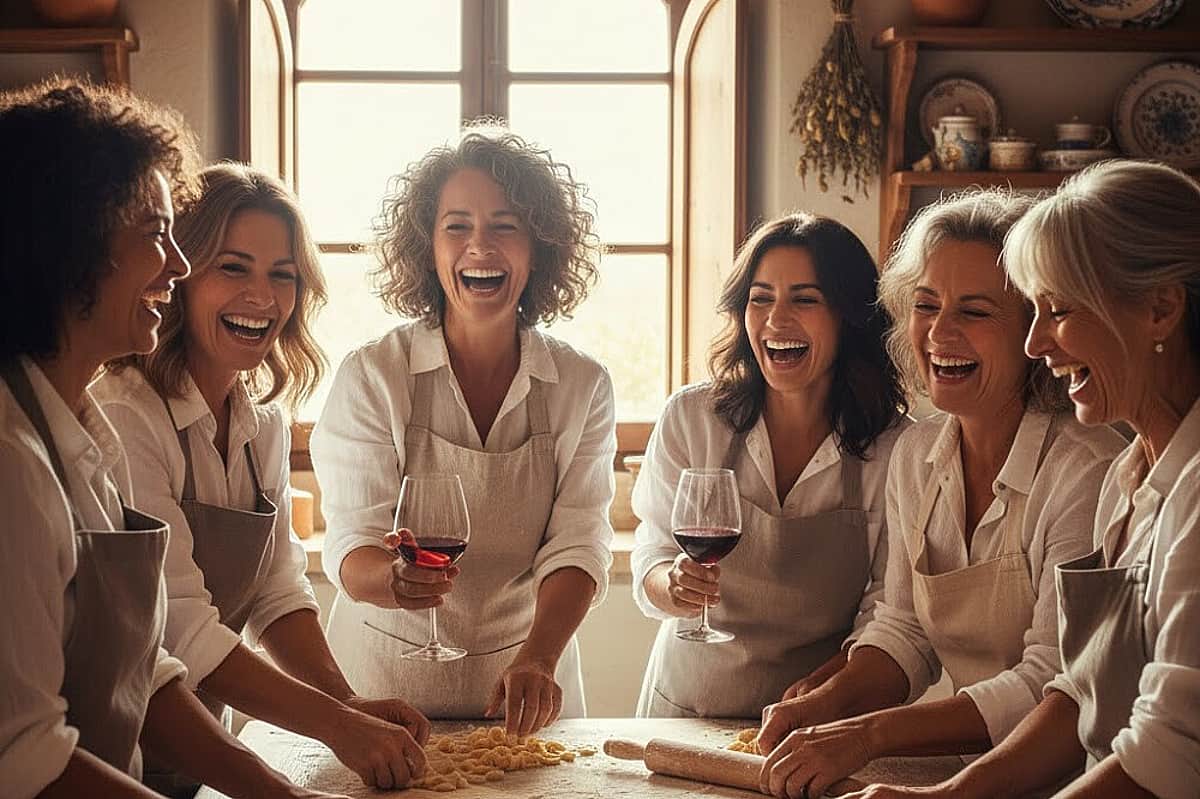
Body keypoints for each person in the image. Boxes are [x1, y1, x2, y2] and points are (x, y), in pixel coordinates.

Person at [0, 78, 345, 799]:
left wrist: (279, 784)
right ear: (76, 247)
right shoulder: (15, 464)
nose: (177, 266)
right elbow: (27, 761)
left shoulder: (77, 440)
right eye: (157, 236)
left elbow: (144, 667)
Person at [843, 160, 1200, 798]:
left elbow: (1164, 759)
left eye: (1058, 309)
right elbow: (1078, 694)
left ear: (1161, 308)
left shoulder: (1163, 487)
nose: (1037, 342)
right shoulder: (1132, 479)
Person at [756, 190, 1126, 799]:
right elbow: (904, 632)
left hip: (1072, 781)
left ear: (1034, 328)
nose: (939, 333)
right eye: (926, 306)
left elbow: (1052, 681)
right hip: (963, 775)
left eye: (975, 312)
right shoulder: (917, 456)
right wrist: (824, 703)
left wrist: (867, 735)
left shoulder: (1086, 470)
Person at [94, 163, 429, 794]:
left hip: (198, 755)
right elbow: (181, 625)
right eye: (233, 267)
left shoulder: (264, 423)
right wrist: (337, 726)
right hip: (110, 757)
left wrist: (346, 704)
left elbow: (277, 593)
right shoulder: (125, 415)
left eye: (283, 275)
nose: (264, 297)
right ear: (181, 277)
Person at [311, 127, 615, 736]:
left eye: (505, 226)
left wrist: (539, 657)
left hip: (525, 696)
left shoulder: (582, 384)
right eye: (457, 226)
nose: (480, 246)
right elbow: (350, 544)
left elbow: (579, 543)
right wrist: (393, 579)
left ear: (539, 247)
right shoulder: (376, 374)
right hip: (380, 694)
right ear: (428, 247)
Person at [630, 212, 908, 718]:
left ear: (849, 316)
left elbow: (888, 608)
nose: (777, 320)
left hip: (815, 720)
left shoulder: (896, 449)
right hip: (685, 708)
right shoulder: (693, 419)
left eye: (805, 299)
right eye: (761, 299)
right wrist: (670, 583)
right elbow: (651, 551)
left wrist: (833, 688)